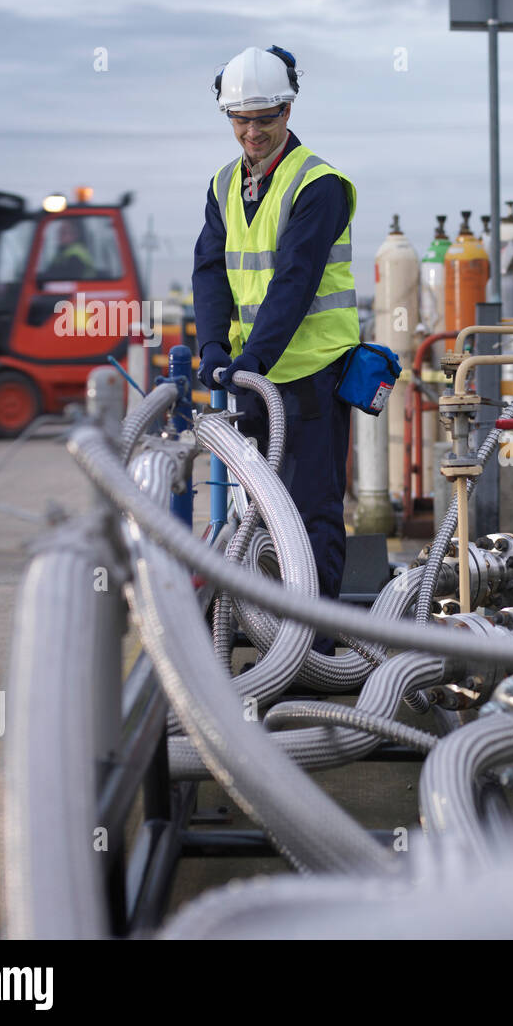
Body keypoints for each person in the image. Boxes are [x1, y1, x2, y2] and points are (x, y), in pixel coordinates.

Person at [192, 45, 360, 652]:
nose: (252, 132)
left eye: (264, 119)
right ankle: (273, 635)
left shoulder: (319, 184)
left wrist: (251, 360)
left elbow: (295, 280)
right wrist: (213, 345)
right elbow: (211, 269)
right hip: (252, 376)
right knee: (260, 514)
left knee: (310, 511)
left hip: (310, 375)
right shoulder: (224, 184)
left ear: (287, 111)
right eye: (240, 119)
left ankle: (314, 648)